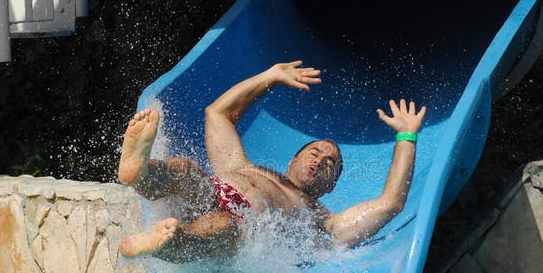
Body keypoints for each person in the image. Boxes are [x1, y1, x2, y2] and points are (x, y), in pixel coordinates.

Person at [118, 60, 425, 261]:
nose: (320, 159)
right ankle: (139, 173)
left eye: (331, 164)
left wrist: (406, 138)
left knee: (224, 224)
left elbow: (390, 204)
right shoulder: (240, 166)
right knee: (187, 170)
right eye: (315, 152)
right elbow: (218, 113)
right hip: (215, 191)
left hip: (241, 230)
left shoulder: (322, 221)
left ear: (331, 186)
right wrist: (270, 76)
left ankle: (167, 241)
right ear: (293, 159)